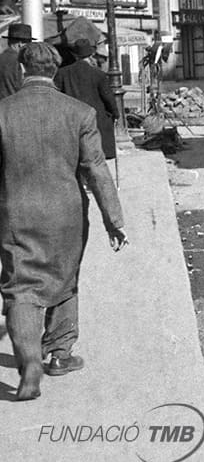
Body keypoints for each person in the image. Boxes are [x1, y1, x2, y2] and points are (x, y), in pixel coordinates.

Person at [0, 42, 127, 401]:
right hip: (67, 215)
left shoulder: (2, 112)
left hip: (14, 213)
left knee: (21, 287)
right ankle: (60, 354)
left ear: (24, 70)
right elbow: (96, 170)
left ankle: (29, 365)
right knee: (64, 276)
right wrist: (114, 220)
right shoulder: (80, 113)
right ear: (54, 71)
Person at [54, 39, 119, 160]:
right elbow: (108, 98)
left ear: (75, 55)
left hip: (72, 120)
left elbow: (56, 96)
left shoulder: (63, 73)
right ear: (90, 55)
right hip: (95, 120)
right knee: (96, 158)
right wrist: (115, 114)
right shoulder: (98, 74)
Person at [0, 23, 33, 99]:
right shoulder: (19, 61)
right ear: (20, 44)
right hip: (14, 104)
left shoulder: (2, 57)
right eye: (28, 43)